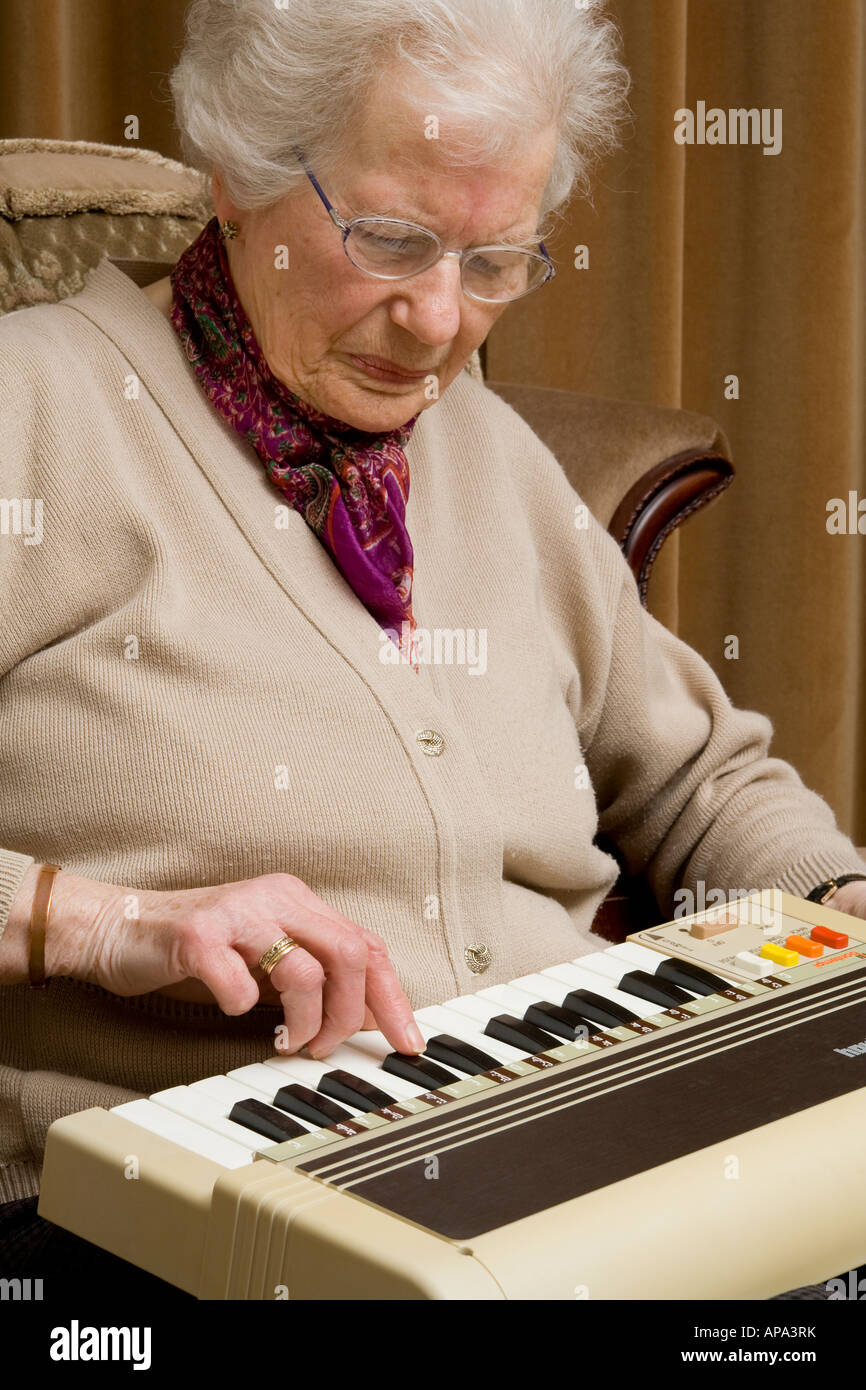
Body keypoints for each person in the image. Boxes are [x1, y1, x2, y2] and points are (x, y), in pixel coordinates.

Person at [1, 0, 863, 1294]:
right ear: (238, 169)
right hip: (205, 1214)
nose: (438, 321)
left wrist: (841, 903)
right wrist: (102, 919)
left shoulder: (482, 449)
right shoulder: (39, 410)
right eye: (392, 239)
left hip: (597, 1151)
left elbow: (697, 778)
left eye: (496, 259)